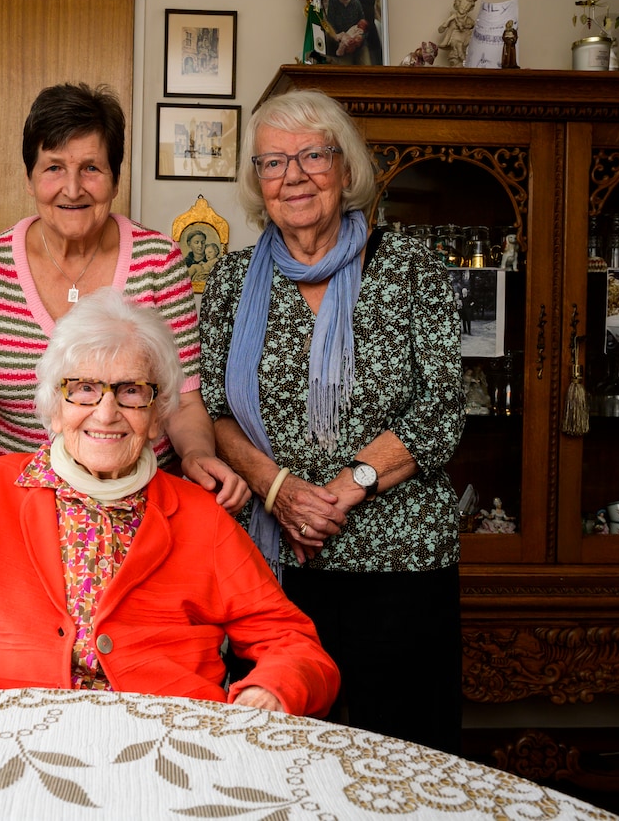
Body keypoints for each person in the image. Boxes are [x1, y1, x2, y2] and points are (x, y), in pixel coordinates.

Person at [0, 290, 340, 716]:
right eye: (84, 389)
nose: (106, 413)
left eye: (132, 391)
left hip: (164, 746)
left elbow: (295, 647)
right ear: (54, 405)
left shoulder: (201, 516)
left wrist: (270, 691)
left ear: (157, 417)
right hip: (9, 737)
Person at [198, 90, 465, 752]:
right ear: (256, 182)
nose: (293, 175)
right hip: (270, 562)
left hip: (398, 566)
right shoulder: (231, 281)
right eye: (272, 162)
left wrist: (338, 493)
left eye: (312, 155)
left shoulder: (411, 270)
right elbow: (213, 409)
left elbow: (439, 409)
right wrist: (279, 491)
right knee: (278, 752)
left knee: (401, 755)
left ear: (344, 169)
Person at [0, 83, 246, 513]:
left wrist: (198, 454)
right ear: (30, 178)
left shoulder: (158, 261)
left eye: (91, 168)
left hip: (134, 501)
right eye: (53, 168)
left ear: (116, 179)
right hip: (17, 502)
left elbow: (183, 401)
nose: (72, 189)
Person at [322, 0, 378, 65]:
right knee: (346, 73)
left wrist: (360, 39)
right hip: (341, 45)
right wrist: (343, 42)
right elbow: (329, 29)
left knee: (368, 70)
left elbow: (364, 27)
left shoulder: (356, 3)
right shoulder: (330, 0)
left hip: (359, 45)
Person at [438, 0, 478, 67]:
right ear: (458, 5)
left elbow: (473, 26)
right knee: (458, 44)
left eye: (467, 8)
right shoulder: (452, 17)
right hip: (454, 41)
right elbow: (440, 30)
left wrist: (466, 26)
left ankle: (463, 56)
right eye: (463, 6)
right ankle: (460, 54)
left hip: (465, 41)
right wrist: (449, 20)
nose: (464, 8)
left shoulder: (469, 20)